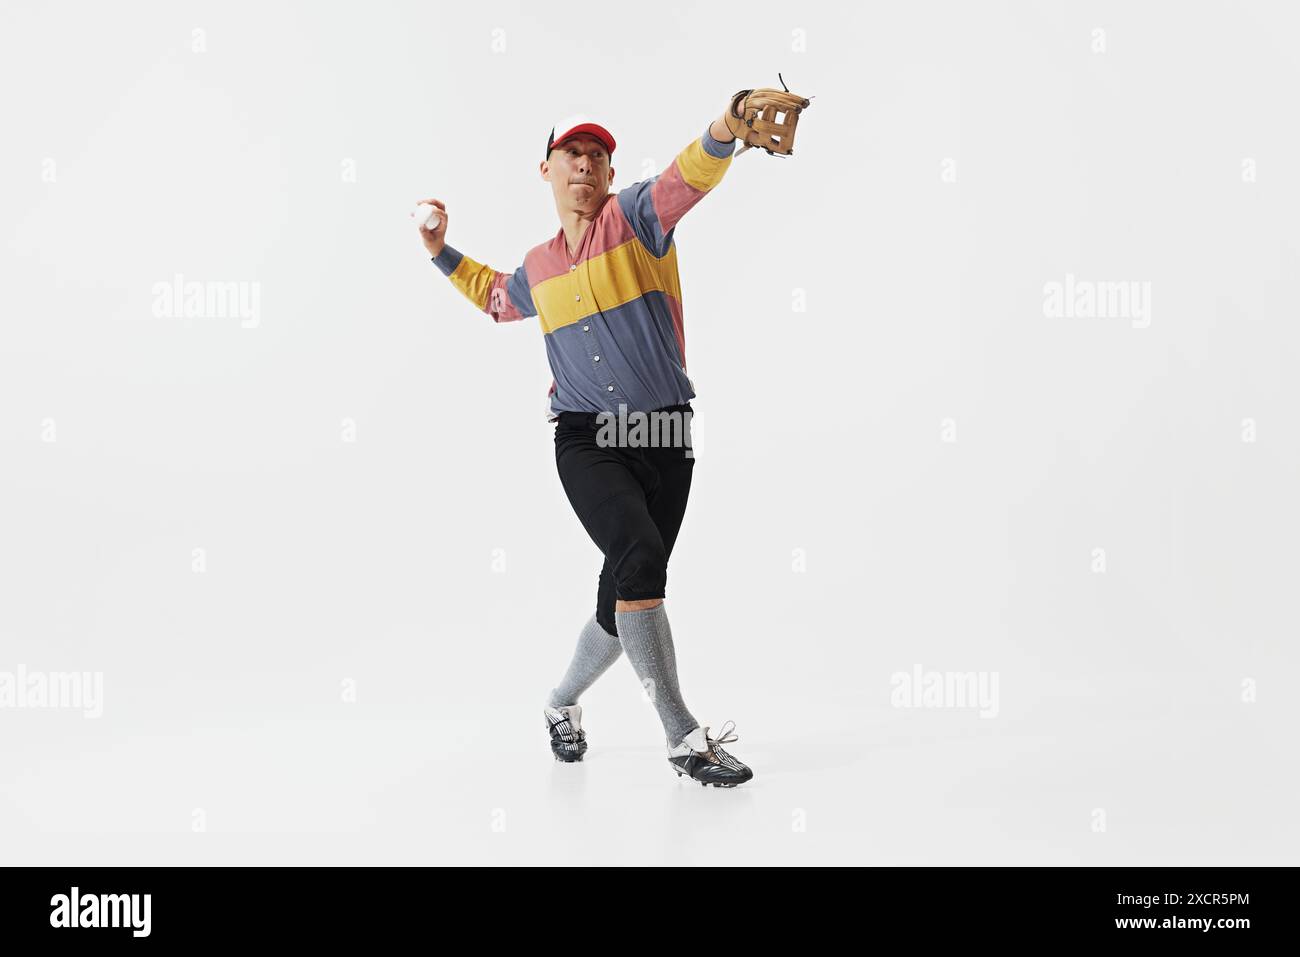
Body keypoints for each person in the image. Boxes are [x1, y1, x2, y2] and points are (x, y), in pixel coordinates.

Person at [417, 105, 752, 787]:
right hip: (586, 436)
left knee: (622, 592)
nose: (584, 164)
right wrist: (438, 251)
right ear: (546, 169)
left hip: (664, 432)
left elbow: (692, 172)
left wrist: (730, 122)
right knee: (640, 558)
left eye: (596, 155)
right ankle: (683, 737)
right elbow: (494, 297)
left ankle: (560, 701)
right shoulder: (539, 266)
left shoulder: (636, 218)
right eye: (571, 153)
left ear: (610, 172)